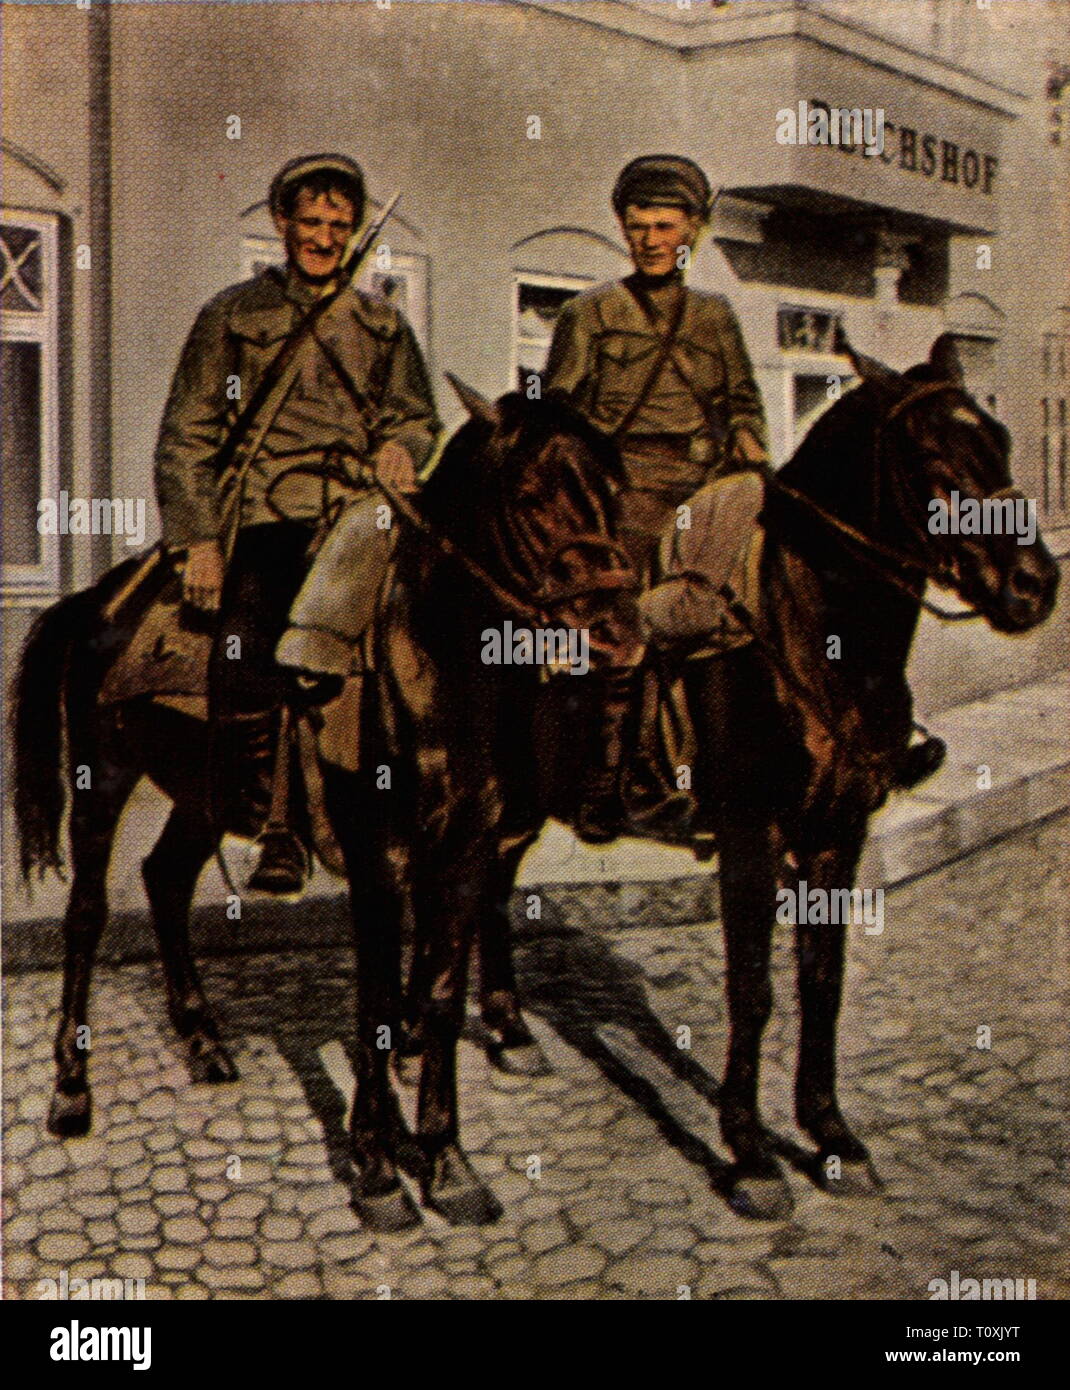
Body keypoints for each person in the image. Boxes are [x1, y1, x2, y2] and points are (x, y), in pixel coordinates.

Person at [154, 153, 440, 893]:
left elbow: (415, 417)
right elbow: (189, 433)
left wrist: (402, 451)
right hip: (269, 512)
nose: (322, 237)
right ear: (282, 224)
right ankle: (271, 820)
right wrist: (199, 542)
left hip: (358, 515)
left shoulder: (380, 324)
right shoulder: (233, 315)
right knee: (253, 644)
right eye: (309, 222)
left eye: (338, 226)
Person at [544, 154, 769, 843]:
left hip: (705, 493)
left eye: (663, 225)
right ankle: (611, 786)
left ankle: (745, 774)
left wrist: (753, 439)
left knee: (767, 603)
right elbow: (560, 424)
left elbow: (742, 404)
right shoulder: (591, 314)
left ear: (693, 230)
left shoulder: (715, 316)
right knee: (628, 632)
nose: (647, 239)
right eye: (636, 226)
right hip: (627, 497)